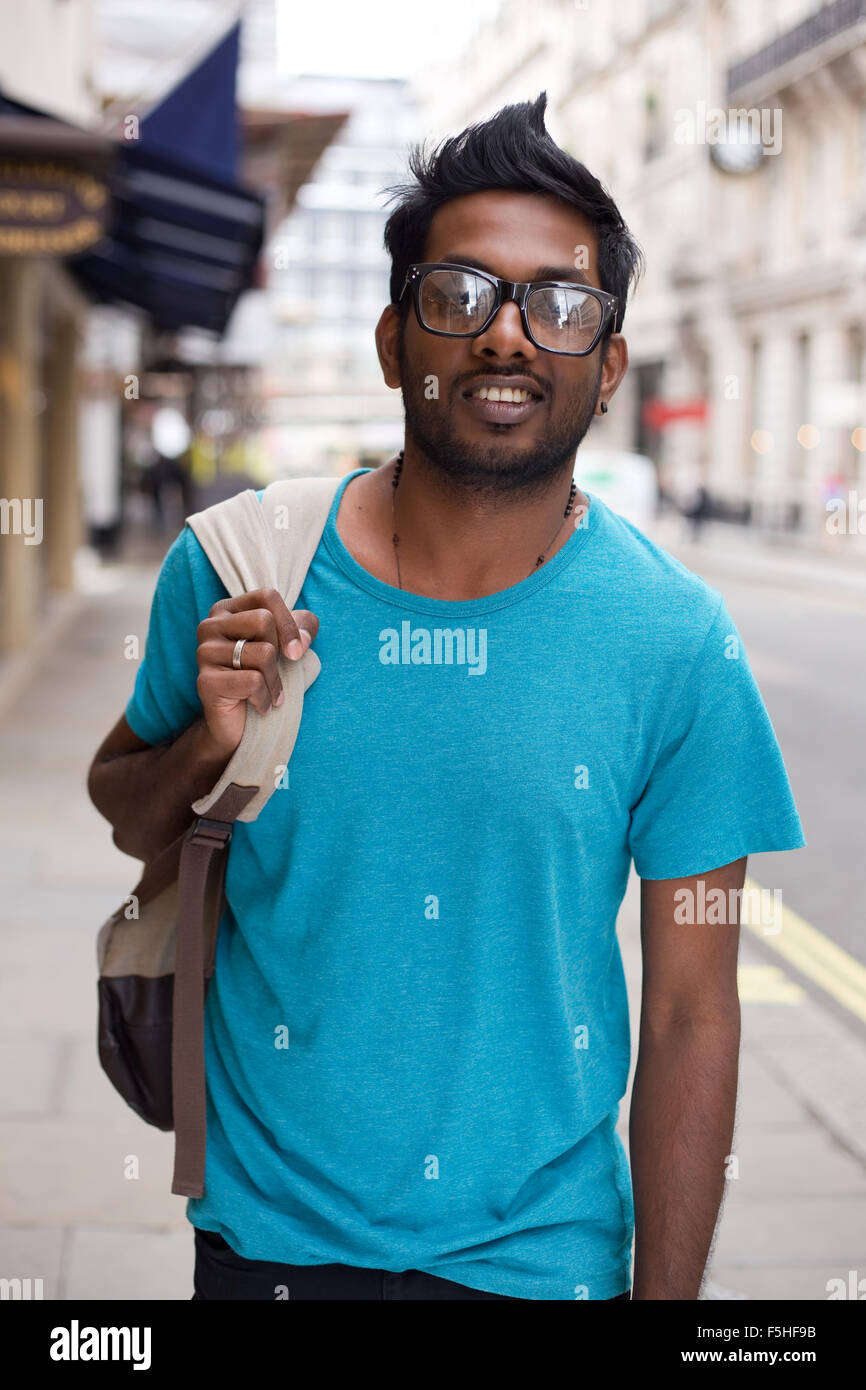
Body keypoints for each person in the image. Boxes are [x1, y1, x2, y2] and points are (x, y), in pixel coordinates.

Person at [87, 93, 805, 1302]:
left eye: (558, 304)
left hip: (539, 1262)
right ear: (393, 342)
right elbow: (125, 809)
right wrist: (200, 746)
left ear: (607, 363)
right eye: (459, 293)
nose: (507, 334)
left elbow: (692, 1010)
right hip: (267, 1248)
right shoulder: (234, 567)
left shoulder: (675, 640)